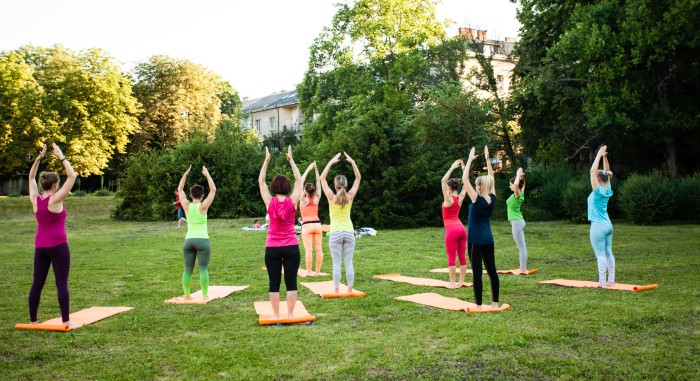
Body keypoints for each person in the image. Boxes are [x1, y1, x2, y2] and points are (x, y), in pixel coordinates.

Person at [27, 143, 80, 329]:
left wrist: (38, 159)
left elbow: (31, 176)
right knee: (61, 283)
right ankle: (66, 321)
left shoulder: (35, 200)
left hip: (40, 247)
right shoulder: (55, 200)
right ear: (56, 185)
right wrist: (62, 156)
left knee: (37, 284)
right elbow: (72, 176)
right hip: (58, 247)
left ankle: (33, 321)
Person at [259, 146, 303, 319]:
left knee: (274, 283)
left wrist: (266, 160)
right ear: (287, 186)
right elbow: (299, 181)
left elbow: (261, 182)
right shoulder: (293, 201)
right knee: (291, 282)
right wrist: (291, 160)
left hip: (273, 248)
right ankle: (290, 314)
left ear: (274, 186)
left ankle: (276, 314)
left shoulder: (270, 202)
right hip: (291, 246)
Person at [463, 146, 500, 310]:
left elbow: (465, 180)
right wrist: (486, 159)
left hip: (475, 241)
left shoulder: (476, 199)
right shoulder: (492, 198)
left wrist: (470, 160)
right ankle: (495, 303)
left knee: (477, 273)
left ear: (479, 186)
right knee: (492, 271)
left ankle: (478, 305)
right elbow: (491, 178)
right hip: (488, 239)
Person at [319, 152, 361, 294]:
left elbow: (322, 178)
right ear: (345, 184)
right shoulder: (349, 196)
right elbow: (358, 178)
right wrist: (352, 162)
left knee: (337, 263)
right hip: (349, 232)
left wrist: (331, 161)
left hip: (336, 233)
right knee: (348, 262)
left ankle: (336, 291)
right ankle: (349, 290)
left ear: (335, 185)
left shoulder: (331, 197)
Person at [176, 165, 216, 301]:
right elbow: (213, 189)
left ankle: (187, 295)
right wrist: (207, 174)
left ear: (191, 195)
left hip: (189, 241)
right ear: (202, 195)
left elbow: (180, 189)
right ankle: (204, 295)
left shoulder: (186, 206)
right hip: (203, 241)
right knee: (203, 269)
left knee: (187, 270)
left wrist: (185, 175)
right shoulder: (203, 207)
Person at [588, 145, 615, 287]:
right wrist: (605, 157)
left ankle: (602, 282)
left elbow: (593, 170)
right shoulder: (607, 188)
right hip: (608, 225)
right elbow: (606, 172)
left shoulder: (598, 191)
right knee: (608, 253)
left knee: (600, 255)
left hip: (598, 225)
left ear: (598, 180)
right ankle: (611, 280)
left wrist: (598, 154)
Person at [441, 159, 469, 288]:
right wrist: (464, 169)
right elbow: (466, 183)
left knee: (451, 257)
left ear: (450, 188)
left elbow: (443, 180)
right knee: (462, 256)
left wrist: (452, 168)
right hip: (462, 229)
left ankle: (452, 283)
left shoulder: (448, 200)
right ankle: (461, 281)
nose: (446, 188)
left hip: (452, 230)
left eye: (447, 187)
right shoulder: (460, 198)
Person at [299, 161, 324, 275]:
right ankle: (317, 272)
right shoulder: (317, 198)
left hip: (307, 225)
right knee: (319, 249)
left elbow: (300, 181)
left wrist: (309, 168)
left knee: (309, 250)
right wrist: (316, 169)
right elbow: (319, 182)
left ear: (305, 190)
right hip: (318, 225)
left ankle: (309, 272)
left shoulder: (303, 199)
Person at [507, 167, 528, 274]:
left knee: (521, 248)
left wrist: (517, 173)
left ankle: (522, 269)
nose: (510, 186)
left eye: (510, 184)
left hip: (516, 222)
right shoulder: (521, 192)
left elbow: (516, 185)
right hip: (518, 221)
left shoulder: (517, 194)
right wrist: (520, 176)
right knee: (522, 247)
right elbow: (522, 184)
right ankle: (522, 267)